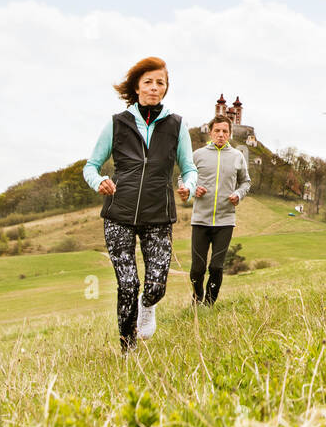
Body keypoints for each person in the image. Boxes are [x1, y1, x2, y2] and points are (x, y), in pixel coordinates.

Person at [83, 57, 198, 352]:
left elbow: (189, 169)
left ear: (166, 88)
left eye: (160, 82)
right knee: (128, 284)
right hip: (118, 214)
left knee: (155, 285)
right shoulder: (117, 123)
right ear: (136, 87)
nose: (154, 87)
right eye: (148, 82)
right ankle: (128, 349)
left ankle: (148, 306)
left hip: (158, 215)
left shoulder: (176, 125)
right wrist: (99, 182)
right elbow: (90, 167)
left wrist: (188, 186)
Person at [189, 113, 251, 307]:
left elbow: (246, 182)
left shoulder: (237, 156)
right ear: (210, 132)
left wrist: (238, 195)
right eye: (217, 130)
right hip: (200, 220)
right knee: (197, 270)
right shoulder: (198, 155)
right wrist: (192, 188)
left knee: (216, 267)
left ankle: (208, 304)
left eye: (225, 131)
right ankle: (197, 297)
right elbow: (184, 178)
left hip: (225, 221)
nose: (221, 134)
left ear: (230, 133)